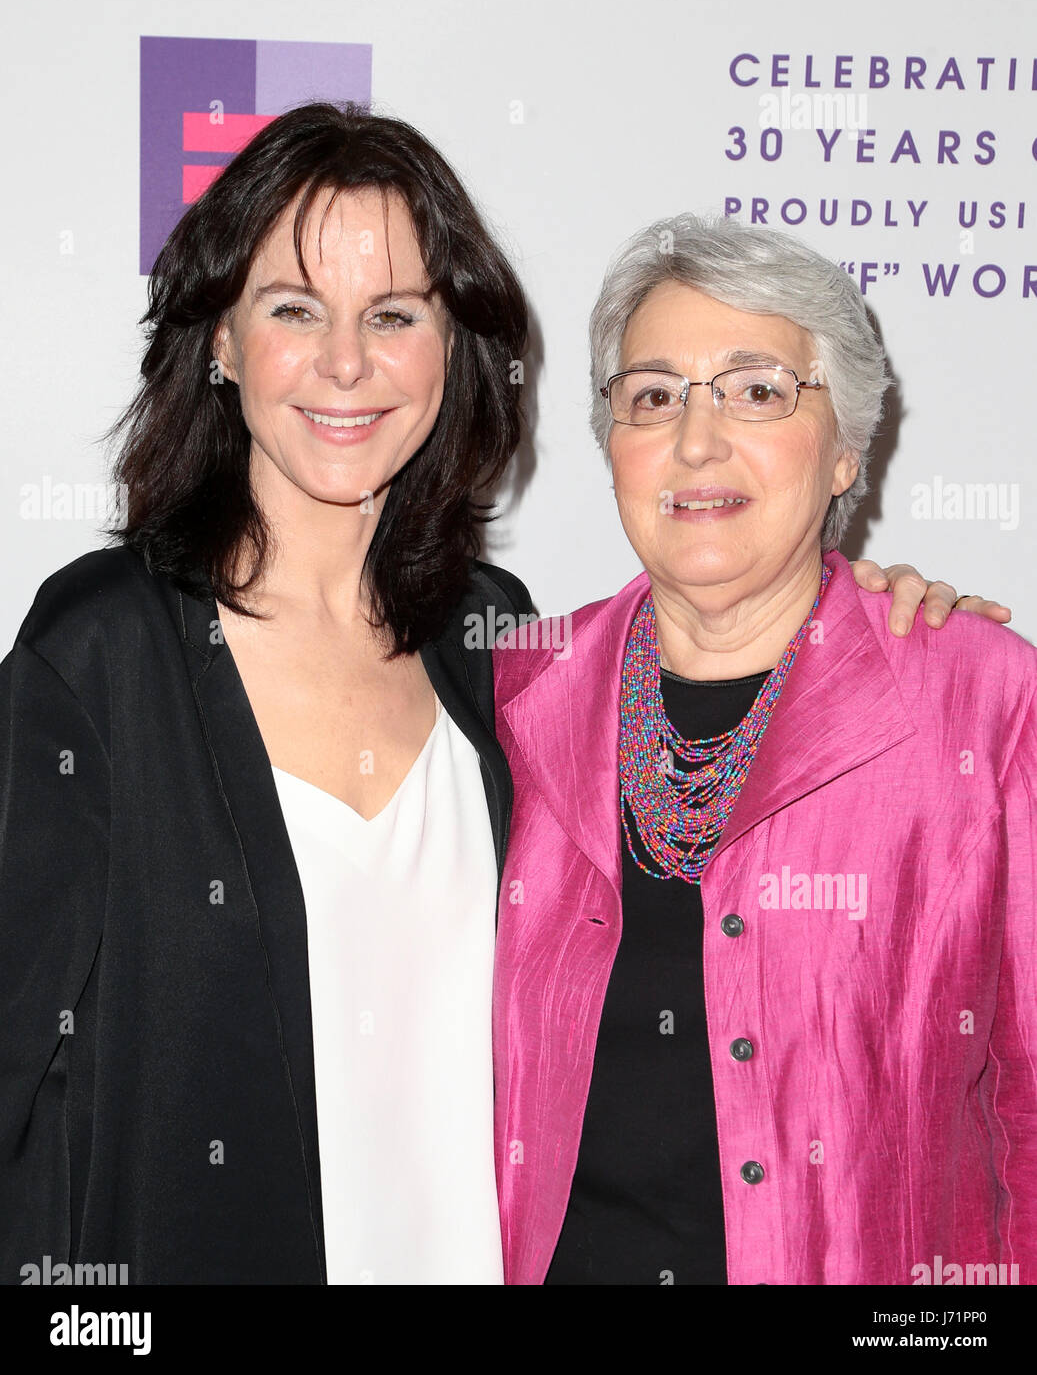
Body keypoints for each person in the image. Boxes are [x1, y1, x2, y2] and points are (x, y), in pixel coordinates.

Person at [0, 102, 1004, 1287]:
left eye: (393, 316)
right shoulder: (102, 650)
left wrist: (874, 611)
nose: (344, 363)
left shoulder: (489, 644)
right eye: (291, 310)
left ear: (451, 347)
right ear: (219, 341)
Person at [491, 213, 1036, 1286]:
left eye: (755, 391)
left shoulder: (981, 702)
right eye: (653, 396)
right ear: (611, 447)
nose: (696, 440)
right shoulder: (511, 694)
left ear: (845, 452)